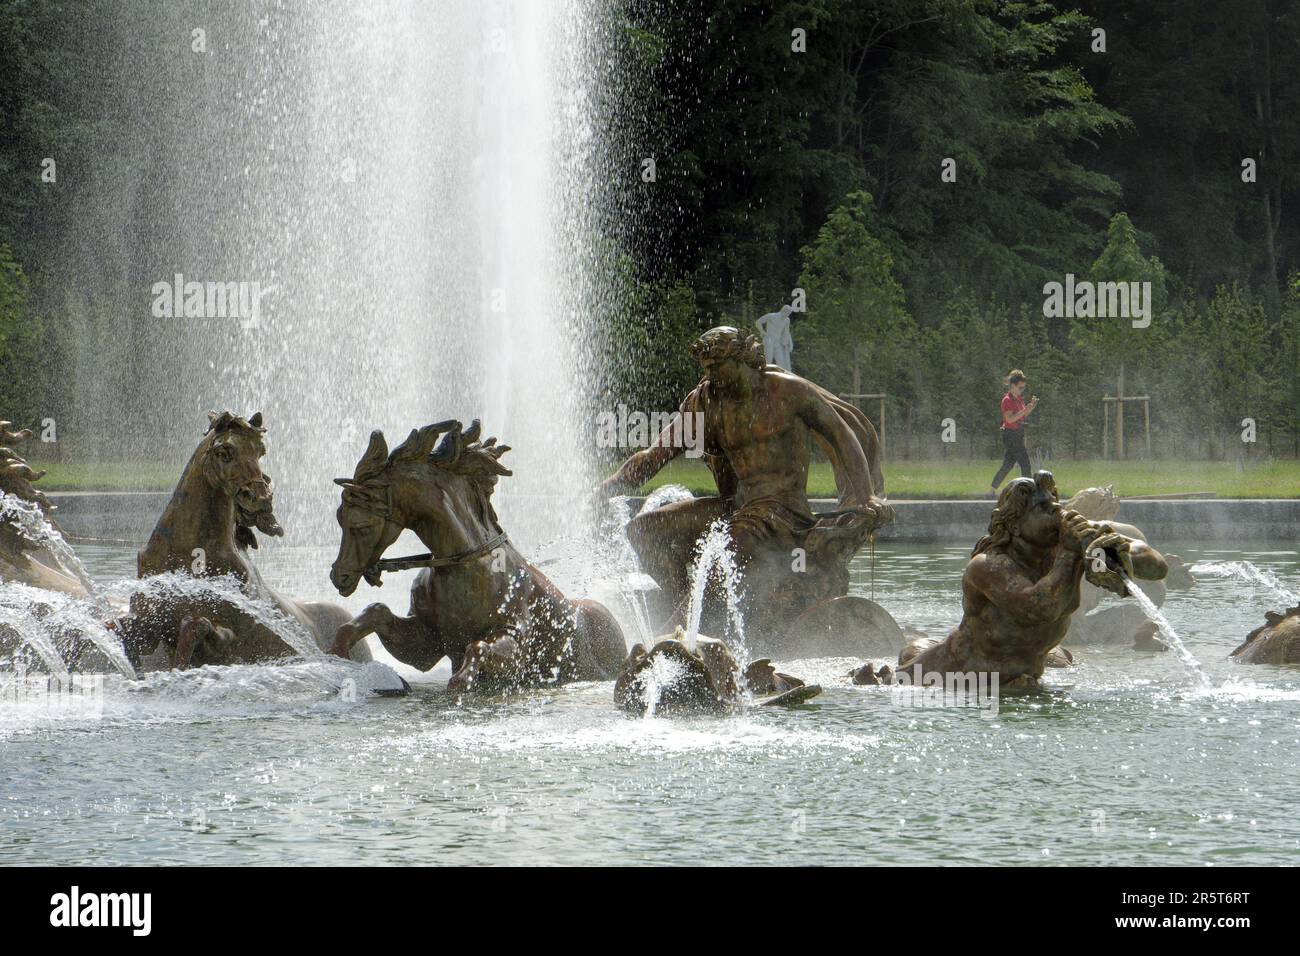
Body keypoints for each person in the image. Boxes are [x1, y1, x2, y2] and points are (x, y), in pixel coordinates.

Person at [989, 369, 1036, 496]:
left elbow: (1022, 416)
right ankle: (1030, 492)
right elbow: (1009, 419)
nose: (1022, 390)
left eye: (1023, 388)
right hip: (1011, 435)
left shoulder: (1019, 399)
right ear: (1012, 386)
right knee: (1025, 463)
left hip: (1018, 434)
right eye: (1020, 388)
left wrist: (1030, 407)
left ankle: (992, 489)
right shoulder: (1007, 400)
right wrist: (1024, 411)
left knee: (1008, 464)